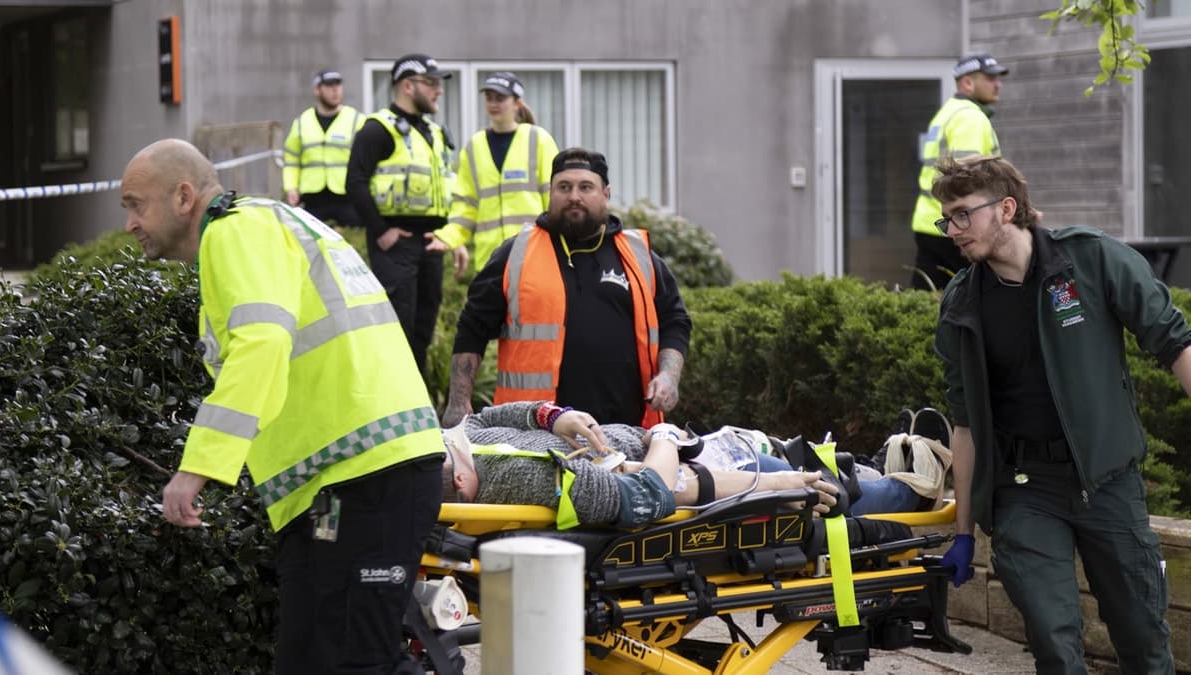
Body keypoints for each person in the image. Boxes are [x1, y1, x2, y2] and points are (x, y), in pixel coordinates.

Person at [121, 138, 445, 674]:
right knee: (311, 659)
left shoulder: (235, 231)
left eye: (136, 204)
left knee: (354, 663)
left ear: (183, 196)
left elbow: (262, 343)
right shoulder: (269, 223)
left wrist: (196, 469)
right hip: (343, 484)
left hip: (363, 480)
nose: (130, 223)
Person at [931, 155, 1191, 674]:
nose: (953, 230)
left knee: (1142, 638)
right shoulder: (963, 304)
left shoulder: (1091, 260)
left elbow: (1174, 341)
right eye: (947, 219)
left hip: (1107, 480)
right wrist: (962, 531)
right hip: (1024, 489)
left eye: (962, 214)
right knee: (1054, 642)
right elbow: (964, 423)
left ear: (1006, 208)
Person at [443, 148, 692, 429]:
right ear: (550, 193)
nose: (574, 196)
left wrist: (669, 376)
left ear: (606, 194)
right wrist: (458, 402)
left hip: (626, 430)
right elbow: (472, 328)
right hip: (533, 432)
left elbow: (675, 320)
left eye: (586, 187)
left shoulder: (639, 255)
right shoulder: (516, 254)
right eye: (564, 187)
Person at [442, 402, 935, 528]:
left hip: (686, 455)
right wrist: (663, 436)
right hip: (698, 474)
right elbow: (652, 494)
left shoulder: (468, 445)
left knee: (782, 452)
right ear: (462, 480)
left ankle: (872, 468)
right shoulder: (525, 478)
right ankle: (913, 490)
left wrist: (554, 417)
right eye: (453, 448)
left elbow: (484, 418)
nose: (456, 438)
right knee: (819, 483)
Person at [345, 53, 456, 373]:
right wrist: (380, 231)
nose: (439, 90)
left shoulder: (433, 132)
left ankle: (417, 400)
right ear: (408, 86)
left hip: (430, 245)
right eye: (431, 83)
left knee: (422, 332)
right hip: (396, 245)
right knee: (397, 330)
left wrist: (452, 236)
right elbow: (354, 182)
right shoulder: (378, 129)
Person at [427, 71, 560, 276]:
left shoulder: (539, 140)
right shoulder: (474, 146)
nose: (493, 104)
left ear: (517, 103)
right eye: (489, 98)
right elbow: (466, 204)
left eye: (500, 98)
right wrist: (449, 237)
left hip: (533, 255)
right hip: (490, 260)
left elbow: (555, 199)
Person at [909, 53, 1008, 290]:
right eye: (990, 78)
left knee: (928, 297)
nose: (998, 84)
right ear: (967, 83)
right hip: (955, 227)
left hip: (930, 222)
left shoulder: (946, 113)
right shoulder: (970, 118)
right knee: (974, 298)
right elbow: (968, 181)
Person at [281, 69, 364, 228]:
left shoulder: (357, 120)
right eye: (329, 86)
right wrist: (291, 188)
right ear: (317, 90)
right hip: (313, 199)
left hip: (347, 198)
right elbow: (291, 161)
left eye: (338, 85)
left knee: (353, 240)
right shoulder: (302, 122)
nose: (335, 90)